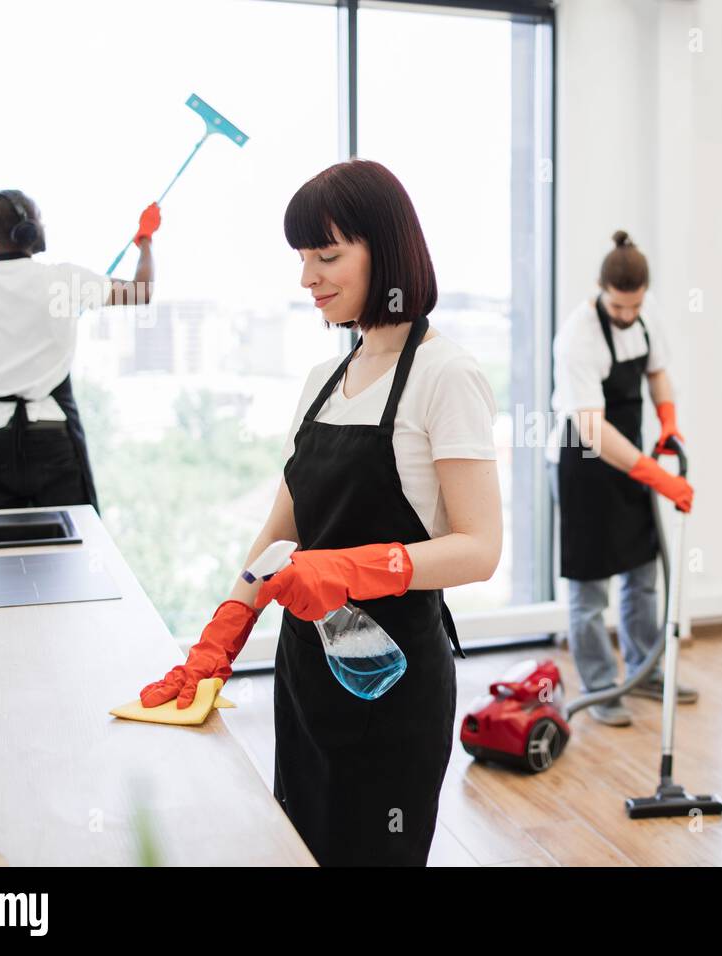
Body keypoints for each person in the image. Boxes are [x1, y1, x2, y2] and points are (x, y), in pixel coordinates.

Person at [139, 160, 502, 866]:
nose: (308, 278)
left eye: (327, 255)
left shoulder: (445, 375)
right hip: (305, 669)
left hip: (392, 679)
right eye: (303, 258)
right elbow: (282, 531)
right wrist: (226, 628)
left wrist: (353, 568)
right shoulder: (323, 381)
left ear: (386, 250)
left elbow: (480, 548)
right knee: (300, 848)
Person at [548, 230, 696, 727]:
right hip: (584, 462)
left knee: (641, 571)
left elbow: (657, 372)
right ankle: (600, 686)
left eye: (635, 307)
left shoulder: (644, 313)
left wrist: (669, 417)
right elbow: (591, 429)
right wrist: (658, 477)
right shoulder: (577, 336)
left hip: (628, 452)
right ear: (600, 289)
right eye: (619, 306)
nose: (627, 315)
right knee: (590, 585)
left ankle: (645, 669)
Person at [0, 189, 158, 512]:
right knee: (69, 554)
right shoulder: (61, 281)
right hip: (52, 440)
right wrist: (146, 239)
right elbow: (141, 291)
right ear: (27, 229)